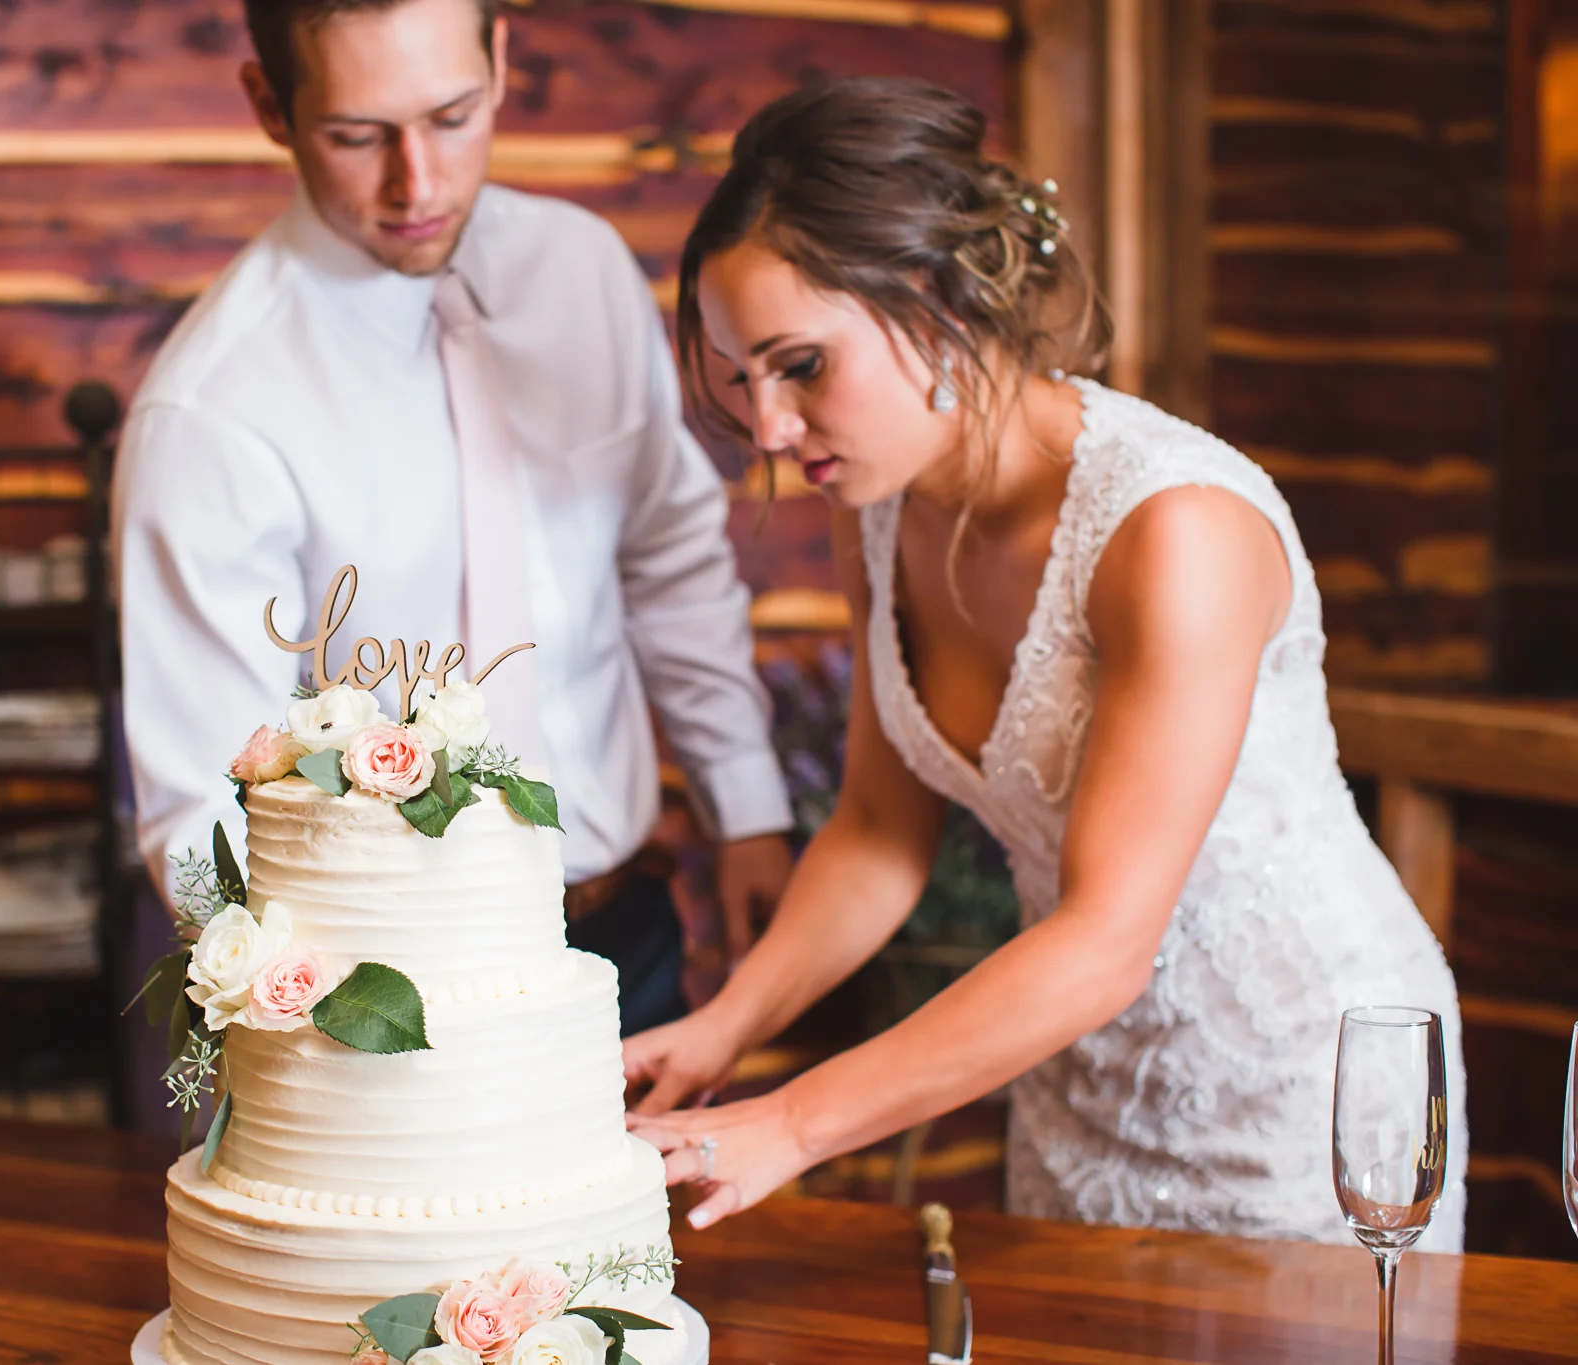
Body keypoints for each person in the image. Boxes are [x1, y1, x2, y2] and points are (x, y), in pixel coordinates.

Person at [623, 76, 1468, 1246]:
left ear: (935, 300)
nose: (766, 429)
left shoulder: (1174, 528)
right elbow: (876, 831)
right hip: (1067, 1064)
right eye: (736, 380)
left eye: (799, 366)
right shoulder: (878, 501)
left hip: (1301, 1089)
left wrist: (792, 1125)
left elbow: (1106, 937)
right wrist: (726, 1027)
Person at [111, 0, 796, 1033]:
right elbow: (199, 808)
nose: (417, 184)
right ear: (270, 106)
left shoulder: (584, 270)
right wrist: (306, 1021)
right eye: (355, 136)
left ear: (499, 58)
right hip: (387, 989)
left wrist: (746, 809)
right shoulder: (211, 409)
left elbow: (666, 555)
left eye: (451, 116)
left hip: (623, 938)